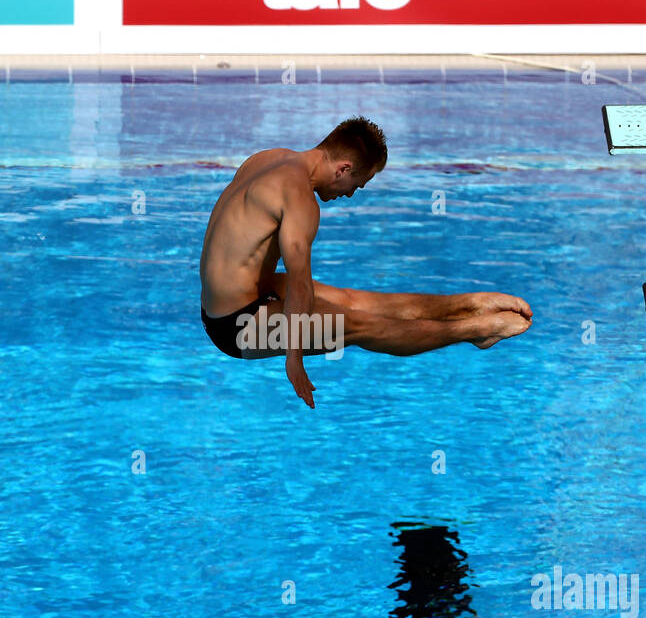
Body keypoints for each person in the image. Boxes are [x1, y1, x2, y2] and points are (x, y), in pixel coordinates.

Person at [199, 116, 532, 408]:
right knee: (357, 326)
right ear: (343, 167)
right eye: (356, 184)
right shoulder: (298, 195)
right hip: (236, 326)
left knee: (354, 300)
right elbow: (299, 280)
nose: (350, 193)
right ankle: (474, 330)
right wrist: (294, 358)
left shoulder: (266, 158)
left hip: (245, 291)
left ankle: (468, 305)